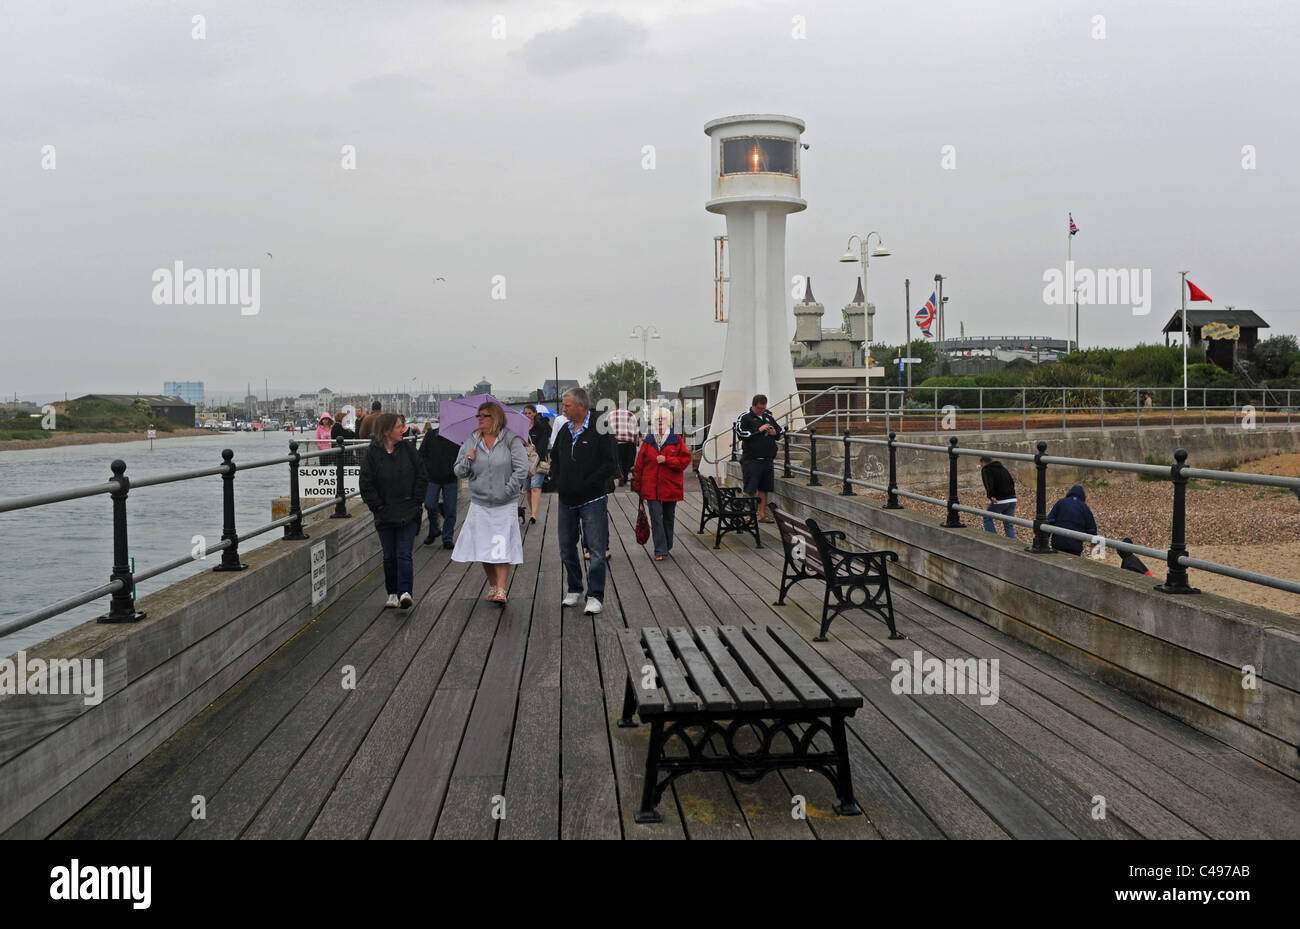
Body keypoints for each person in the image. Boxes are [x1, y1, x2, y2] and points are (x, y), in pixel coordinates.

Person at [451, 401, 528, 604]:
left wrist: (507, 490)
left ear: (496, 418)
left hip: (505, 503)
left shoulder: (512, 440)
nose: (480, 419)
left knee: (501, 546)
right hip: (480, 503)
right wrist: (468, 458)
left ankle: (502, 589)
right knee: (483, 546)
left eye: (484, 415)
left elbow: (522, 469)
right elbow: (458, 471)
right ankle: (493, 584)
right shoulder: (472, 441)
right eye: (478, 415)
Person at [551, 387, 617, 614]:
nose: (563, 409)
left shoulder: (601, 426)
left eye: (567, 405)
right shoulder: (565, 429)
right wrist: (560, 482)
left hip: (592, 498)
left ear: (581, 406)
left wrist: (587, 483)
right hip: (566, 499)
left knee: (597, 551)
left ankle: (595, 595)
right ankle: (574, 588)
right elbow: (555, 458)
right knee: (566, 548)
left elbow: (610, 463)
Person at [359, 413, 427, 609]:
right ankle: (392, 592)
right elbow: (366, 483)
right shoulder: (372, 453)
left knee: (404, 553)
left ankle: (405, 592)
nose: (403, 430)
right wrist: (378, 506)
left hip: (408, 510)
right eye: (399, 427)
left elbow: (422, 475)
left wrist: (416, 501)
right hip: (384, 512)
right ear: (387, 431)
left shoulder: (408, 449)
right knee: (389, 555)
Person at [632, 407, 692, 561]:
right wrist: (638, 485)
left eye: (663, 419)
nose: (659, 422)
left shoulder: (676, 440)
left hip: (671, 487)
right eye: (657, 419)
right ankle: (660, 550)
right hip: (651, 488)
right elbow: (639, 465)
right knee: (656, 518)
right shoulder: (648, 441)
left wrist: (668, 460)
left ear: (669, 422)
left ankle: (667, 545)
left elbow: (685, 461)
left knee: (668, 518)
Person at [734, 393, 782, 523]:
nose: (762, 411)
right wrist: (758, 430)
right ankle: (750, 515)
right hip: (752, 459)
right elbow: (740, 433)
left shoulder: (767, 416)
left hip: (767, 459)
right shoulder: (745, 417)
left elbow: (780, 431)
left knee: (764, 488)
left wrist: (774, 433)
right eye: (760, 408)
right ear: (753, 406)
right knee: (750, 488)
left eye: (764, 408)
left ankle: (762, 514)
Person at [419, 421, 459, 548]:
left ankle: (447, 538)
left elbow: (461, 456)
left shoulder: (457, 438)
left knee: (451, 510)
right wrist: (426, 470)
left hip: (451, 478)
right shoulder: (430, 435)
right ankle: (434, 530)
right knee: (429, 504)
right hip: (432, 478)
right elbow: (422, 454)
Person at [1046, 484, 1098, 555]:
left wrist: (1045, 539)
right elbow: (1092, 530)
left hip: (1058, 543)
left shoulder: (1061, 502)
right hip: (1075, 546)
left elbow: (1050, 521)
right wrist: (1093, 548)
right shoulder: (1084, 508)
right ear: (1083, 496)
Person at [522, 404, 550, 524]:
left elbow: (543, 445)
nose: (527, 415)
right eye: (525, 413)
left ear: (534, 413)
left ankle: (533, 514)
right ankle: (532, 510)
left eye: (529, 413)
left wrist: (536, 456)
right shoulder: (522, 427)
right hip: (524, 461)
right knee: (528, 488)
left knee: (535, 486)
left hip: (538, 460)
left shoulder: (541, 427)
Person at [978, 455, 1017, 538]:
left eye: (981, 464)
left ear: (983, 462)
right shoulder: (1003, 468)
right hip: (1012, 498)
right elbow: (1012, 482)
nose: (981, 466)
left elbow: (989, 483)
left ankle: (994, 539)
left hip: (1001, 500)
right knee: (1008, 522)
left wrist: (991, 495)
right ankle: (1012, 542)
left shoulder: (986, 469)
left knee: (987, 517)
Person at [607, 401, 638, 487]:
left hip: (615, 441)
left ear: (616, 406)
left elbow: (606, 427)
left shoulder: (610, 414)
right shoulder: (631, 415)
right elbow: (636, 431)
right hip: (628, 442)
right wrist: (634, 443)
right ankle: (625, 477)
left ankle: (620, 475)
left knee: (617, 461)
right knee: (627, 461)